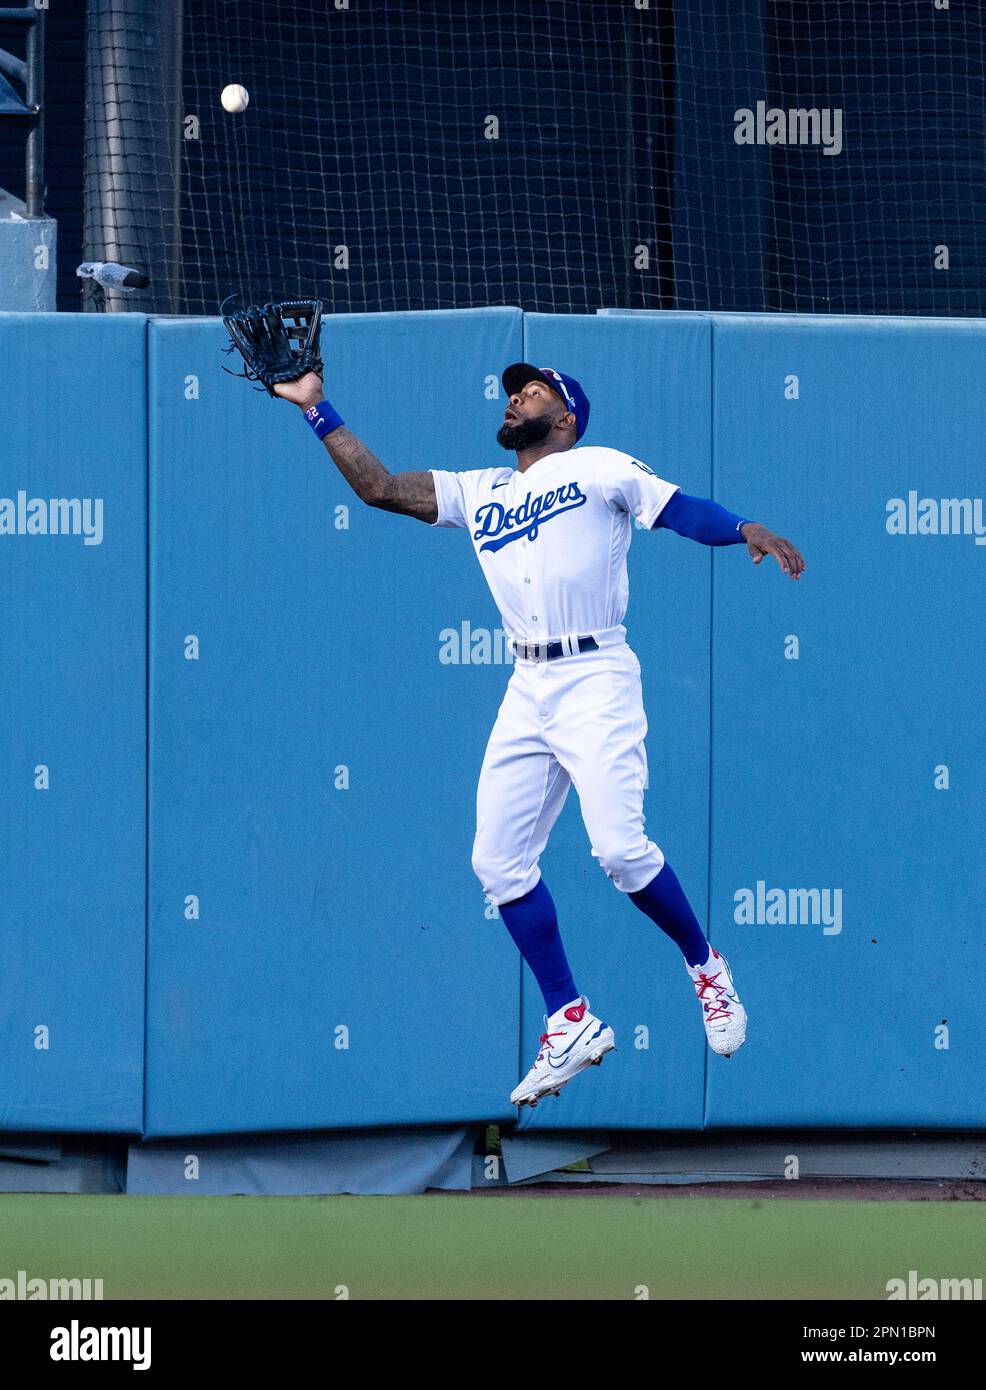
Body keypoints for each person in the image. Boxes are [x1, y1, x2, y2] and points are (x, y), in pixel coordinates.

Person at [272, 363, 806, 1107]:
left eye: (534, 391)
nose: (515, 396)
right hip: (528, 685)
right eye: (512, 391)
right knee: (497, 861)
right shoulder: (481, 489)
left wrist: (745, 527)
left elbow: (680, 509)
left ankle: (707, 970)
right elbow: (381, 487)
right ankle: (570, 1019)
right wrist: (316, 408)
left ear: (566, 417)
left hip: (595, 675)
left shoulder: (597, 467)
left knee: (620, 850)